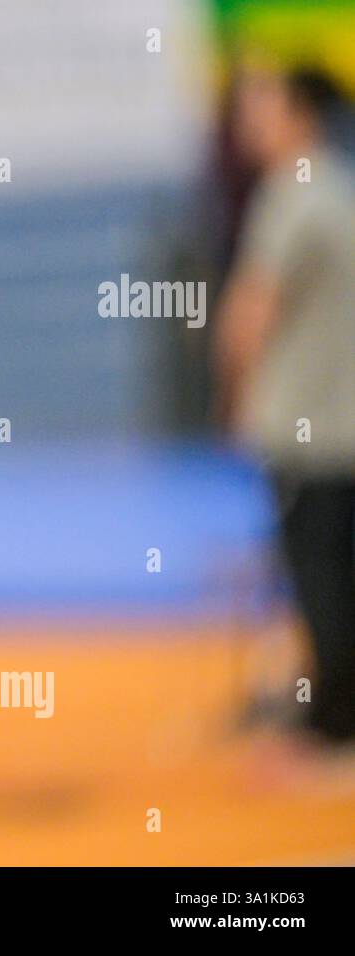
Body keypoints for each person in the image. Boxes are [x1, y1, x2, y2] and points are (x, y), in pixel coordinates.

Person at [215, 60, 355, 748]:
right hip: (343, 423)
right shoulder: (337, 188)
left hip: (306, 429)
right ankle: (329, 705)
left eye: (261, 105)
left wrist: (234, 400)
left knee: (318, 578)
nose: (248, 123)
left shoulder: (287, 194)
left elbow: (250, 312)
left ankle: (335, 722)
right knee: (337, 571)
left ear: (299, 112)